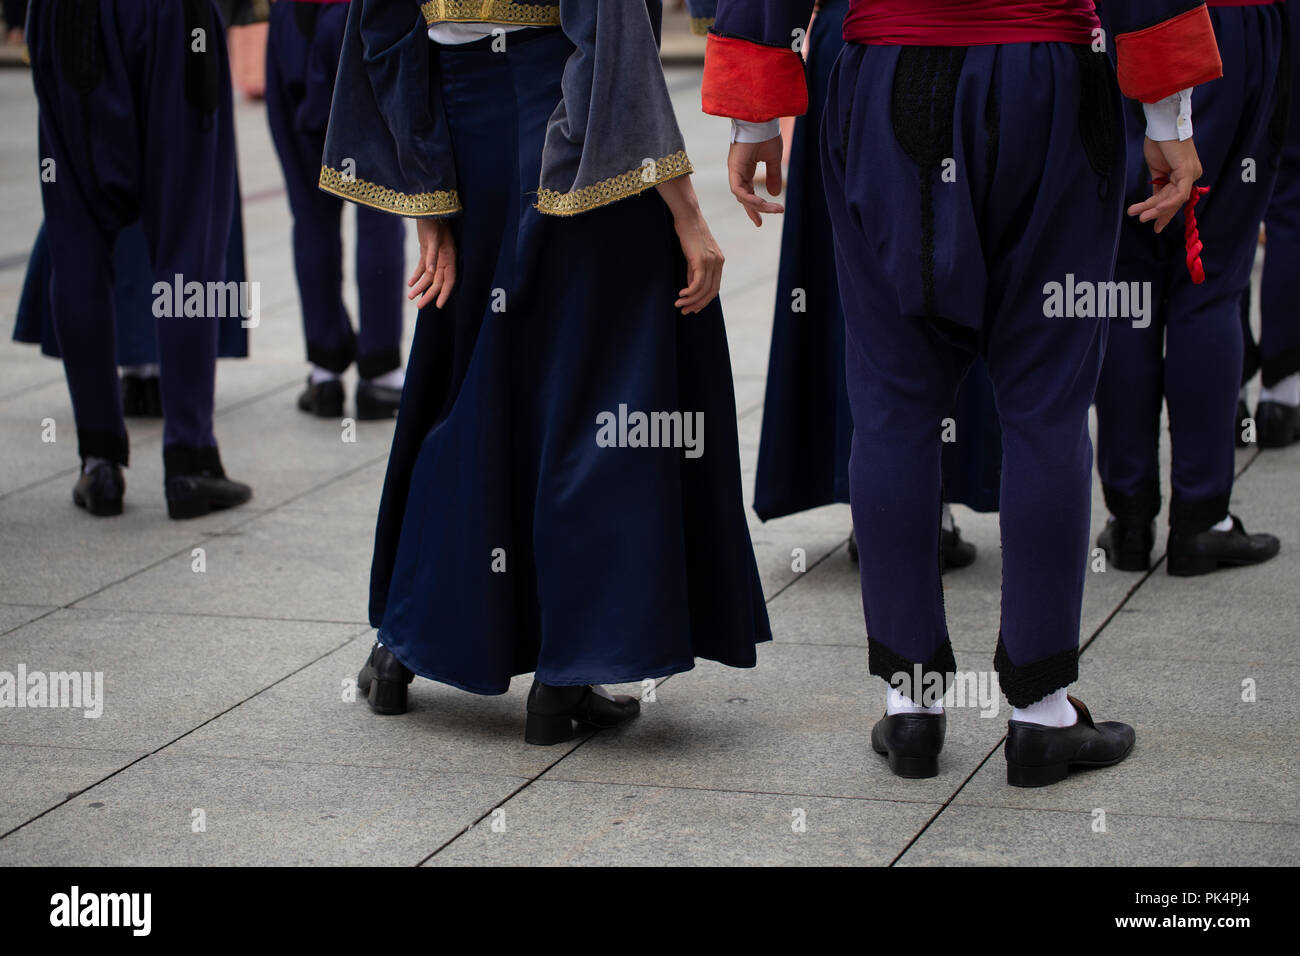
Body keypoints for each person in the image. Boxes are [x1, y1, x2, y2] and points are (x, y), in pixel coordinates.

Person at [705, 0, 1220, 785]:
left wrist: (752, 117)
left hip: (888, 80)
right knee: (1046, 407)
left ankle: (910, 707)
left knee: (891, 408)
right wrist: (1168, 112)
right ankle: (1041, 713)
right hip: (1048, 85)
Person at [322, 0, 770, 744]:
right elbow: (612, 36)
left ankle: (403, 644)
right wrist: (687, 211)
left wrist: (427, 188)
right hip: (575, 126)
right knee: (600, 399)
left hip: (464, 130)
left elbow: (385, 27)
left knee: (474, 386)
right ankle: (565, 675)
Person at [750, 0, 997, 571]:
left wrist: (755, 108)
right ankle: (929, 502)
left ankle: (889, 508)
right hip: (992, 42)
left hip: (863, 42)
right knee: (967, 269)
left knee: (862, 288)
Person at [26, 0, 253, 520]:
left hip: (66, 18)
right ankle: (189, 460)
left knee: (75, 236)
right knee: (189, 238)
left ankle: (99, 460)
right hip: (173, 17)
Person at [1094, 0, 1285, 577]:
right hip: (1224, 25)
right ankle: (1202, 519)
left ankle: (1129, 519)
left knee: (1126, 285)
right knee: (1213, 280)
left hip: (1116, 21)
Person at [266, 0, 407, 421]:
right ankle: (380, 373)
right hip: (361, 17)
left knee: (310, 215)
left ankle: (325, 369)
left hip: (293, 23)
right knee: (378, 203)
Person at [1237, 0, 1300, 450]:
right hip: (1281, 17)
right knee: (1292, 195)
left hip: (1211, 19)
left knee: (1217, 198)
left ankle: (1228, 399)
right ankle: (1281, 397)